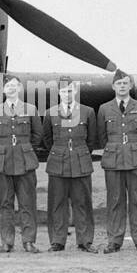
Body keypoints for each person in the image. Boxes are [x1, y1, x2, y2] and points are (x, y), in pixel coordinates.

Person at [96, 69, 137, 253]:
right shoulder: (104, 108)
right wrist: (115, 149)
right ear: (113, 86)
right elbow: (101, 136)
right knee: (114, 201)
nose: (122, 86)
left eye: (125, 83)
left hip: (135, 159)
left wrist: (136, 150)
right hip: (113, 160)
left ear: (130, 86)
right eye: (119, 83)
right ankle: (114, 240)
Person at [40, 76, 100, 252]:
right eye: (63, 91)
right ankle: (57, 241)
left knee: (82, 203)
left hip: (80, 163)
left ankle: (85, 241)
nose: (67, 94)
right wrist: (61, 151)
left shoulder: (87, 112)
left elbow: (92, 139)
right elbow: (47, 139)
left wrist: (80, 152)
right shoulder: (51, 112)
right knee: (57, 203)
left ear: (75, 91)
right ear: (59, 92)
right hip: (58, 163)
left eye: (70, 90)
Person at [0, 74, 43, 253]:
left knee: (28, 203)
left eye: (14, 85)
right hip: (2, 162)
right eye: (7, 86)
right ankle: (7, 242)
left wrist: (23, 149)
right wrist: (6, 150)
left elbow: (37, 135)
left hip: (25, 162)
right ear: (3, 90)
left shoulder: (30, 109)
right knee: (4, 203)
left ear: (20, 88)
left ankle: (28, 241)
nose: (10, 88)